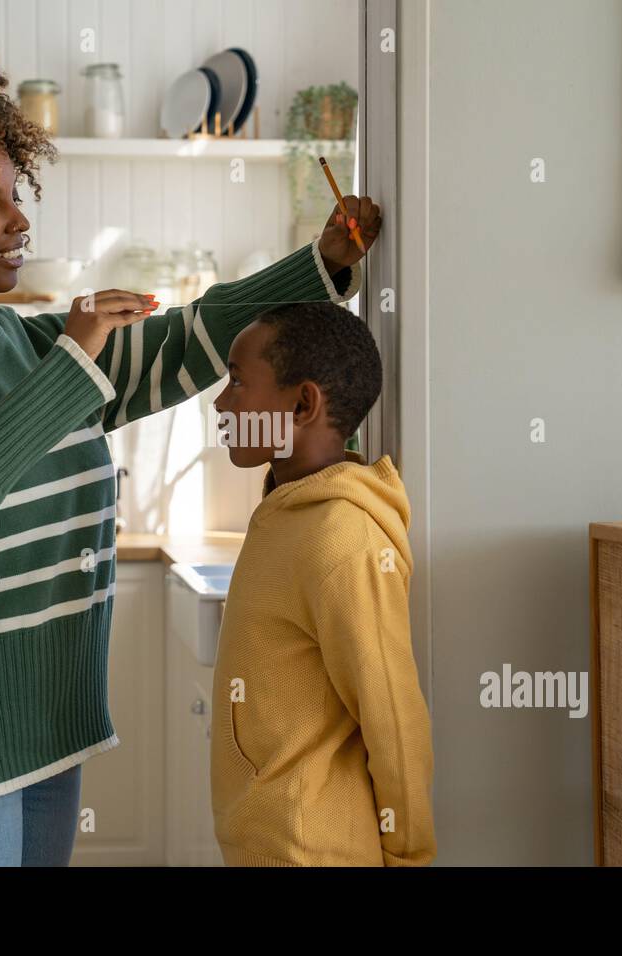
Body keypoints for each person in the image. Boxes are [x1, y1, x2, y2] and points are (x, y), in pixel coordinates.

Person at [0, 72, 376, 865]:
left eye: (13, 196)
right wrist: (74, 360)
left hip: (42, 734)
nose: (19, 221)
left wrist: (323, 264)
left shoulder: (30, 343)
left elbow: (192, 336)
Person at [210, 300, 435, 866]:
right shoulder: (288, 511)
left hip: (311, 851)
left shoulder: (342, 538)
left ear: (303, 402)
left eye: (237, 381)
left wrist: (409, 857)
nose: (220, 402)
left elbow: (392, 715)